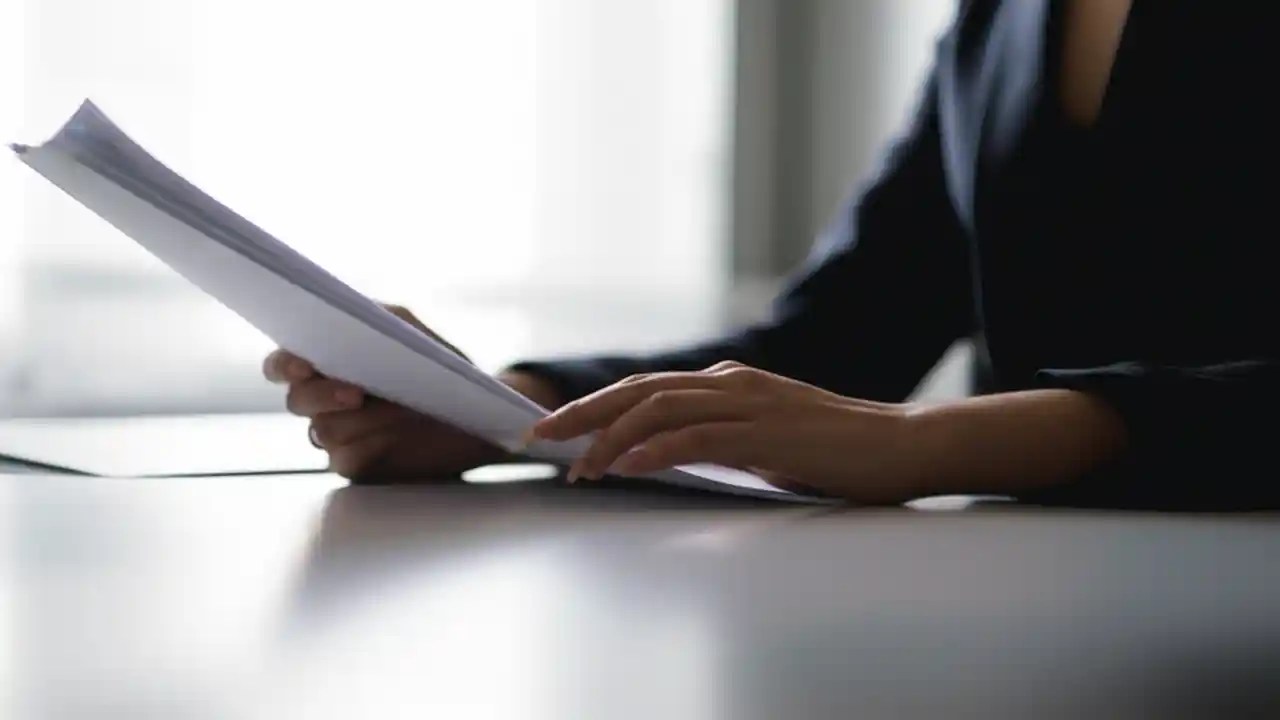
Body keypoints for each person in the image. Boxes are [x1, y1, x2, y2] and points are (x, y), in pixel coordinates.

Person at [263, 0, 1278, 509]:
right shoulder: (1000, 17)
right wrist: (504, 413)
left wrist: (927, 444)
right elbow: (835, 337)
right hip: (1032, 617)